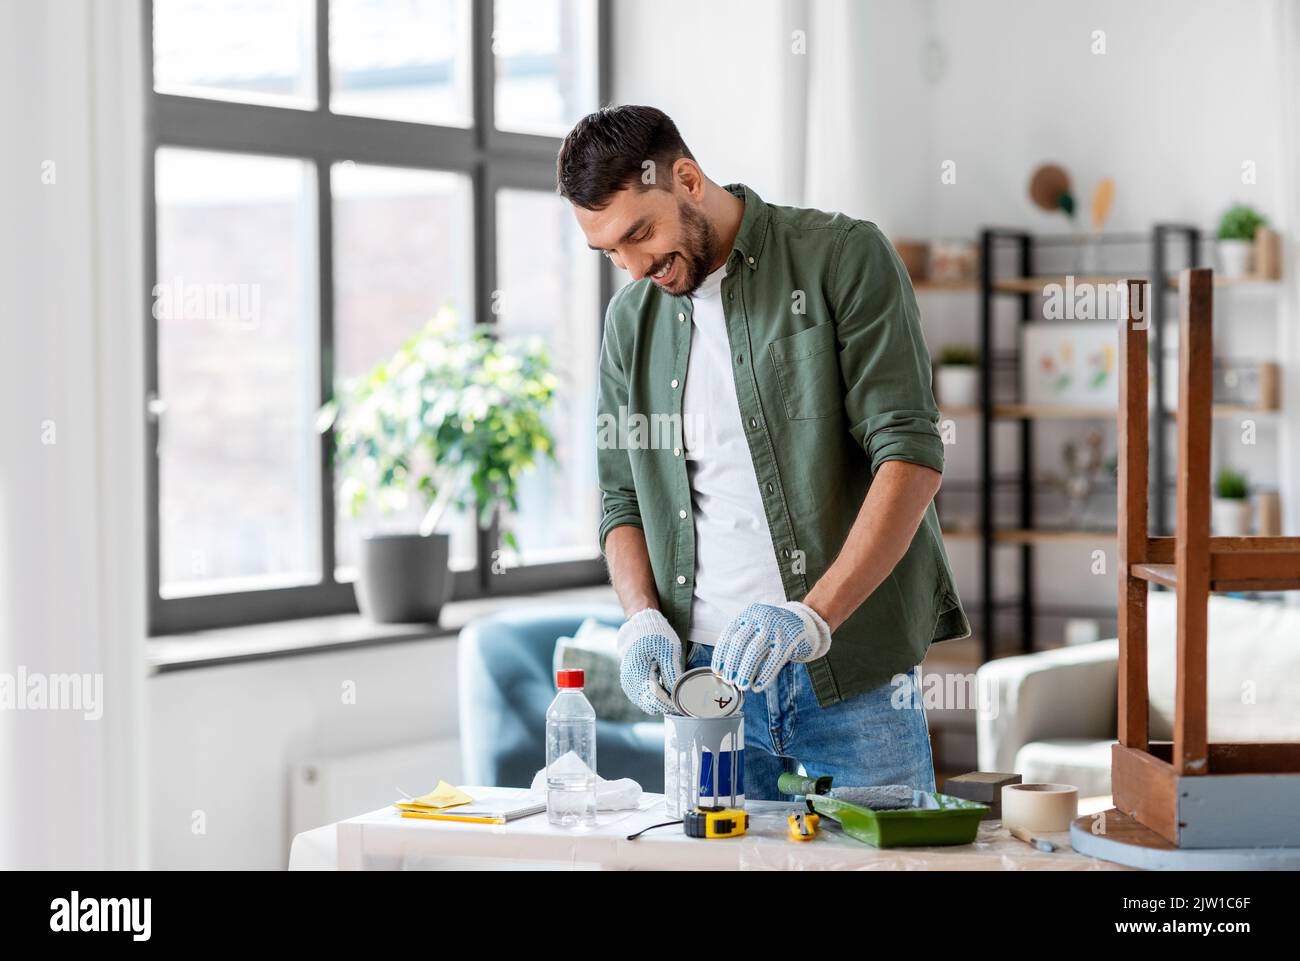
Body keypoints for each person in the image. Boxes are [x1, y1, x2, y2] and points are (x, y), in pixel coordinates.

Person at [557, 105, 970, 798]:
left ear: (686, 178)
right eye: (610, 252)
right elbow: (621, 494)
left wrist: (813, 617)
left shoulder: (842, 256)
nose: (634, 268)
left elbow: (910, 457)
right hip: (704, 687)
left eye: (640, 233)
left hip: (853, 671)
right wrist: (642, 617)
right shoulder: (630, 322)